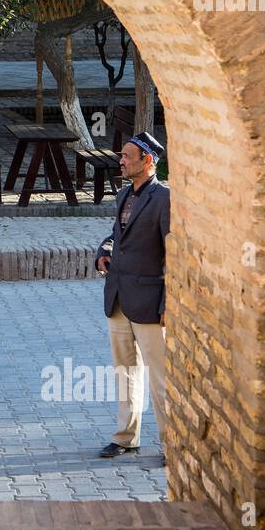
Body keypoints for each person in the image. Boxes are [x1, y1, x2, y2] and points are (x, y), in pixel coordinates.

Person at [95, 132, 172, 464]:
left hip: (151, 303)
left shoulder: (165, 199)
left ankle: (175, 446)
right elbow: (117, 235)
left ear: (148, 161)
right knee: (125, 374)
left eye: (127, 156)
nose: (121, 161)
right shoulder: (124, 194)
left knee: (162, 380)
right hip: (118, 298)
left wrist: (170, 303)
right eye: (121, 156)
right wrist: (104, 251)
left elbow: (175, 253)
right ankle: (126, 438)